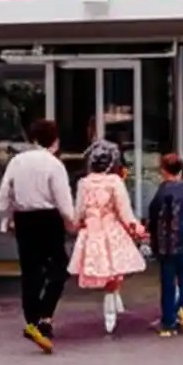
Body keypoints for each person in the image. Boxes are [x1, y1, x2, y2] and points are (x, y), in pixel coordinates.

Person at [0, 118, 77, 354]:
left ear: (33, 139)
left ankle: (32, 321)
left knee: (30, 270)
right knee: (59, 268)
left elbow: (4, 192)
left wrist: (7, 214)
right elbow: (63, 198)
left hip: (24, 218)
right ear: (55, 140)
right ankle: (45, 314)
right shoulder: (54, 165)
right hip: (48, 219)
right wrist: (71, 220)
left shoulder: (17, 162)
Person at [67, 140, 148, 334]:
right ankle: (110, 313)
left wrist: (75, 224)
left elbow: (79, 210)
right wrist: (137, 228)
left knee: (104, 269)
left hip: (92, 231)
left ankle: (113, 309)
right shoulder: (114, 182)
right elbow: (124, 210)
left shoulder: (83, 183)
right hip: (111, 230)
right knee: (114, 269)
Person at [148, 153, 183, 337]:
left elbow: (154, 217)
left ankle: (168, 321)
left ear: (163, 171)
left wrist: (153, 241)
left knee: (167, 281)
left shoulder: (161, 193)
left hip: (166, 244)